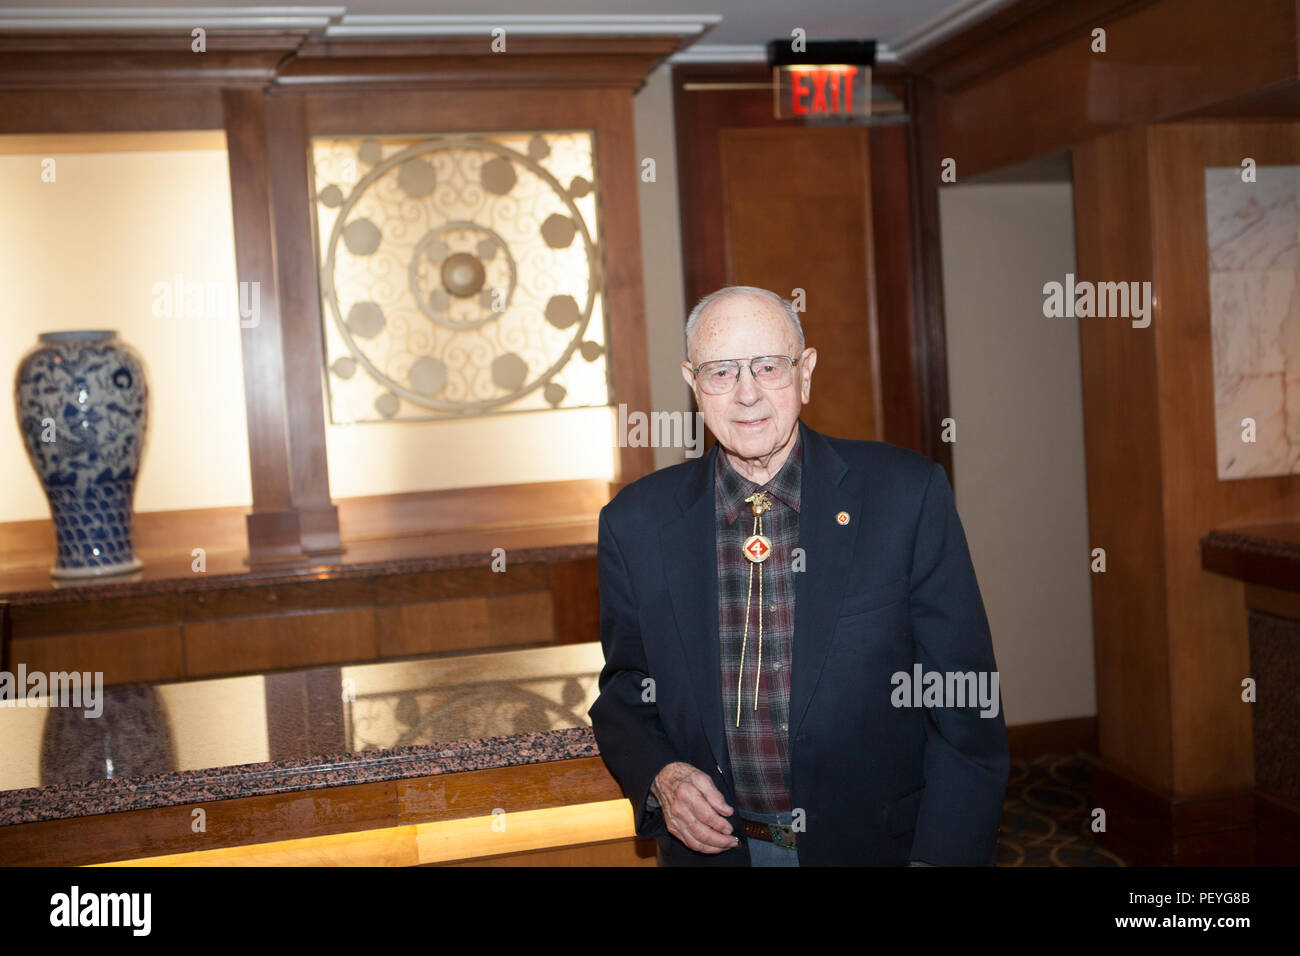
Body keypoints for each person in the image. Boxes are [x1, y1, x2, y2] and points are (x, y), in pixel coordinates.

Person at [588, 285, 1008, 866]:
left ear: (805, 373)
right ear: (693, 384)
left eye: (768, 366)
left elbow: (967, 706)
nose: (747, 393)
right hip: (717, 855)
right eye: (720, 371)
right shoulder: (634, 524)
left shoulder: (905, 497)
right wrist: (660, 773)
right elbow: (624, 691)